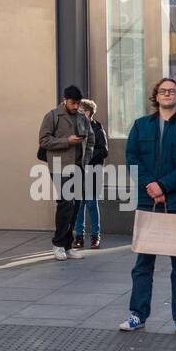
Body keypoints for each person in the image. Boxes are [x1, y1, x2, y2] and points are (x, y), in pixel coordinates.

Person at [119, 77, 176, 336]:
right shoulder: (141, 126)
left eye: (172, 91)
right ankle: (137, 315)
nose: (167, 94)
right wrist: (151, 187)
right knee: (143, 263)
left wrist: (163, 187)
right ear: (156, 97)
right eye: (162, 91)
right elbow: (132, 159)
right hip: (147, 203)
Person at [38, 85, 91, 260]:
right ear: (65, 99)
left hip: (78, 167)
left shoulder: (83, 118)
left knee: (76, 205)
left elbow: (91, 140)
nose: (76, 106)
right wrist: (67, 141)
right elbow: (44, 141)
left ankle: (68, 246)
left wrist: (86, 160)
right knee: (66, 203)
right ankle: (58, 244)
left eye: (78, 103)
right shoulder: (52, 116)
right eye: (73, 103)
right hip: (60, 166)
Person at [72, 99, 108, 250]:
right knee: (79, 205)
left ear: (88, 113)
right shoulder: (75, 128)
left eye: (80, 111)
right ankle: (78, 237)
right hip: (78, 171)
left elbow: (104, 151)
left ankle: (95, 237)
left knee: (92, 204)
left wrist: (86, 157)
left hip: (93, 171)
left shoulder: (98, 129)